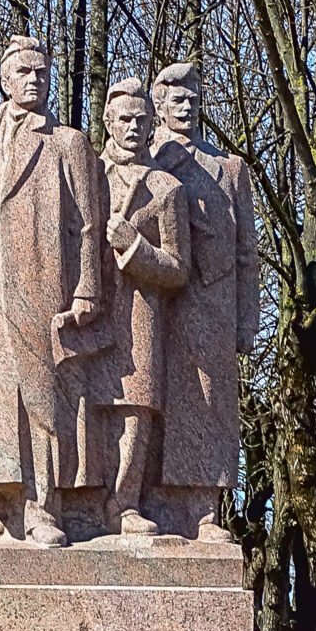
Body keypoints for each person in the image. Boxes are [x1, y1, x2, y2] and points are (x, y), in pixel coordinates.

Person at [0, 35, 109, 547]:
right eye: (24, 70)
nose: (35, 79)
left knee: (45, 401)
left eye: (42, 72)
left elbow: (90, 223)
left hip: (45, 287)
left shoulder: (67, 141)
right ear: (4, 79)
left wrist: (88, 287)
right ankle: (2, 511)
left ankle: (44, 508)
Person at [149, 62, 260, 541]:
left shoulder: (228, 170)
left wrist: (246, 320)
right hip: (156, 302)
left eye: (193, 99)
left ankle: (205, 512)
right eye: (177, 100)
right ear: (159, 105)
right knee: (152, 404)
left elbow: (246, 254)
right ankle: (149, 504)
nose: (187, 107)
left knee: (209, 403)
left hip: (211, 306)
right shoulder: (143, 161)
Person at [96, 78, 189, 535]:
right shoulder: (88, 173)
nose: (133, 128)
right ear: (108, 123)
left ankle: (125, 503)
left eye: (141, 120)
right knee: (91, 406)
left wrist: (134, 248)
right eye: (124, 120)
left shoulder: (167, 188)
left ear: (153, 126)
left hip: (140, 313)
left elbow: (178, 267)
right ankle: (87, 503)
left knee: (136, 408)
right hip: (93, 309)